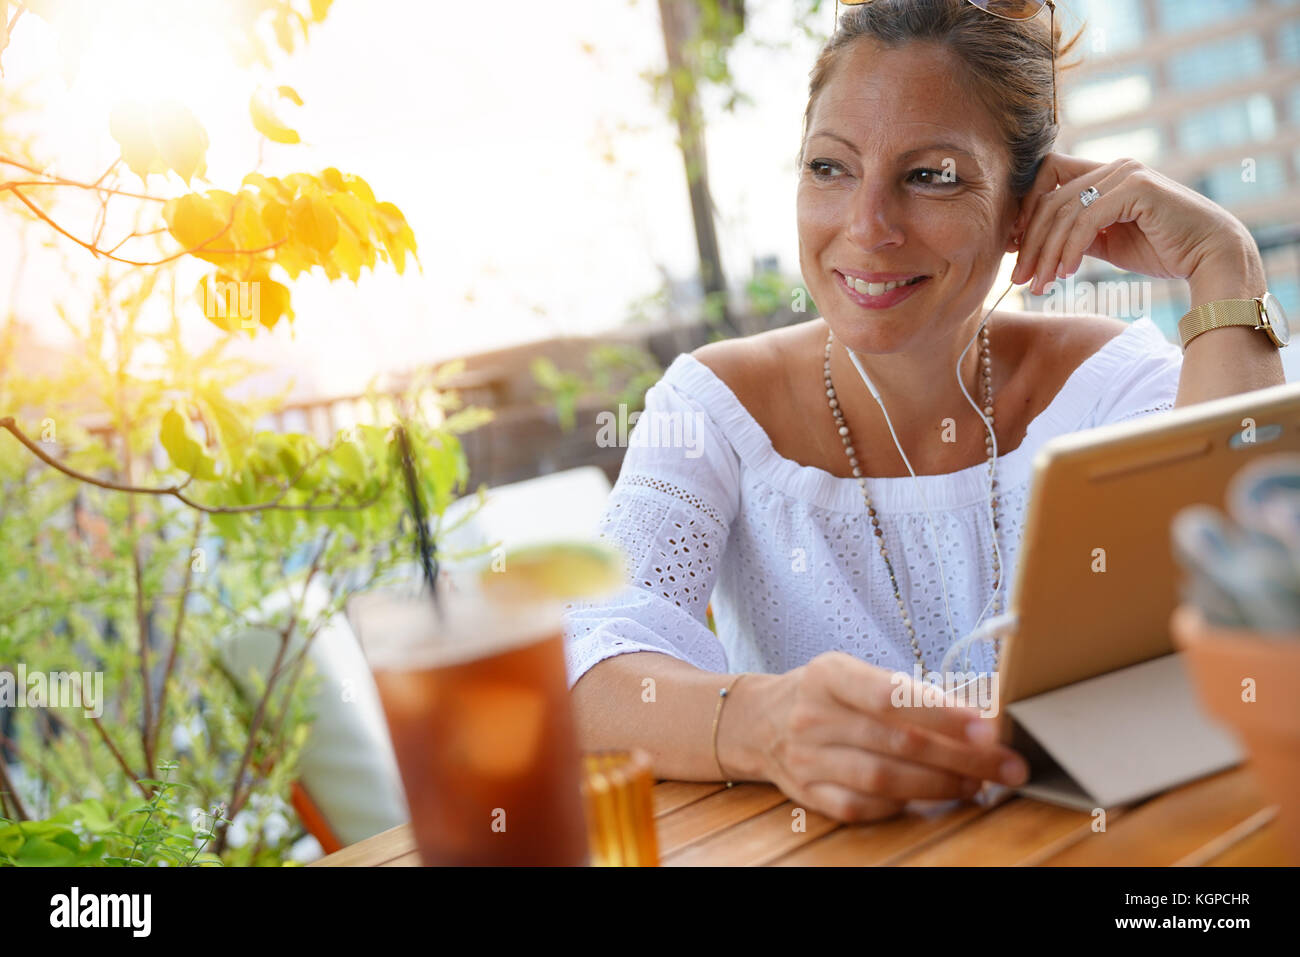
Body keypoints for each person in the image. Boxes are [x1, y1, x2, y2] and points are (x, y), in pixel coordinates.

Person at [564, 0, 1286, 824]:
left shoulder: (1112, 386)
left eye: (931, 175)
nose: (868, 227)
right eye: (830, 168)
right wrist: (763, 725)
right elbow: (589, 666)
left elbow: (1267, 600)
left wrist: (1222, 264)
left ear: (1027, 209)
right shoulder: (715, 407)